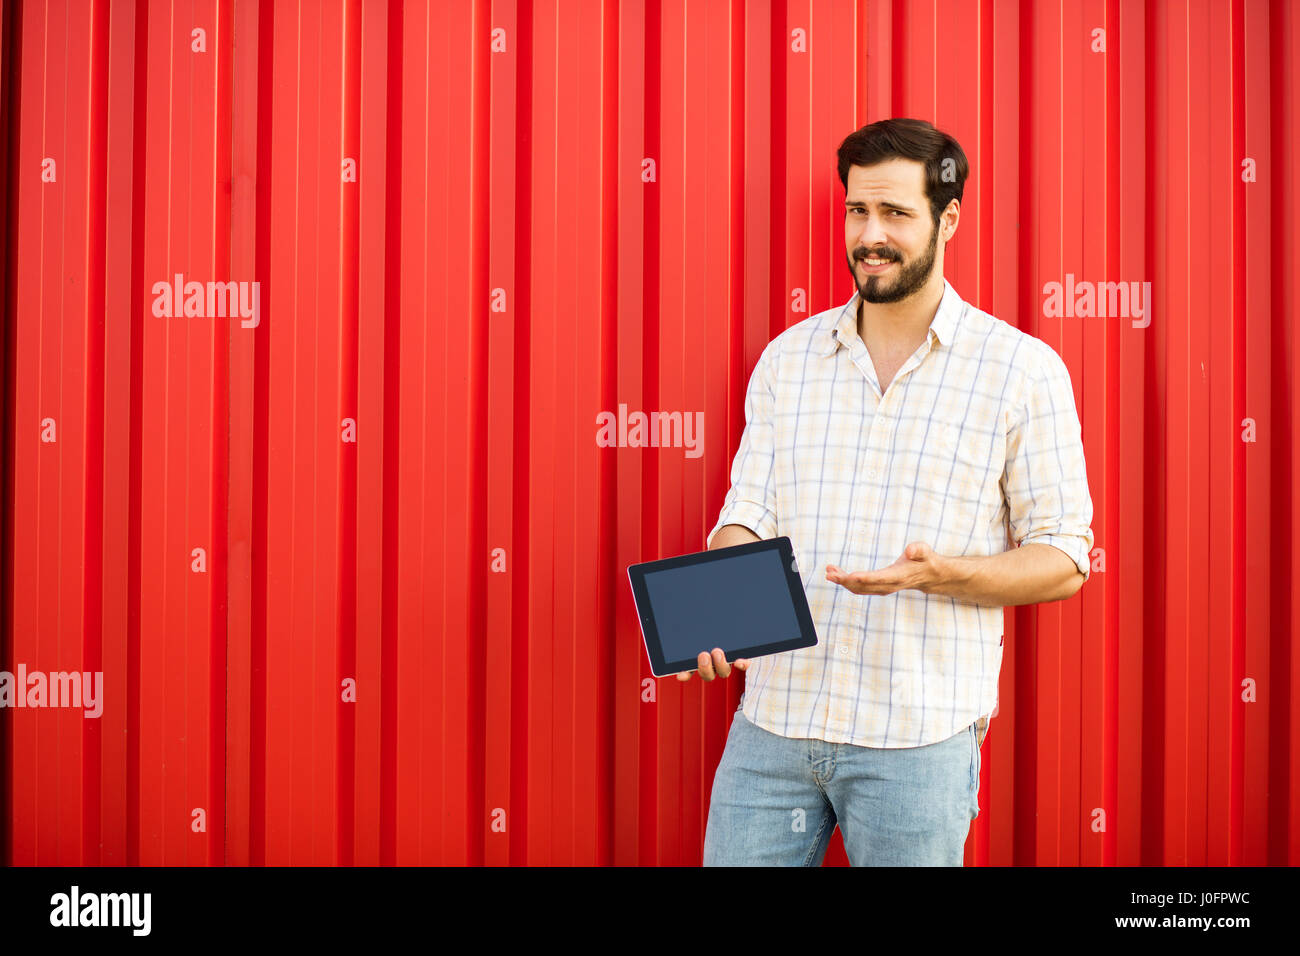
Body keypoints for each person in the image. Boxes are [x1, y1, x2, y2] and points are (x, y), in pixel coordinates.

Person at [684, 117, 1094, 866]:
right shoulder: (788, 360)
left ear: (949, 219)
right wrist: (717, 611)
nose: (871, 236)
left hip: (918, 740)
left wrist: (944, 575)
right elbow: (747, 515)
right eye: (857, 211)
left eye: (897, 214)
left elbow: (1066, 558)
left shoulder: (1021, 372)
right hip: (774, 724)